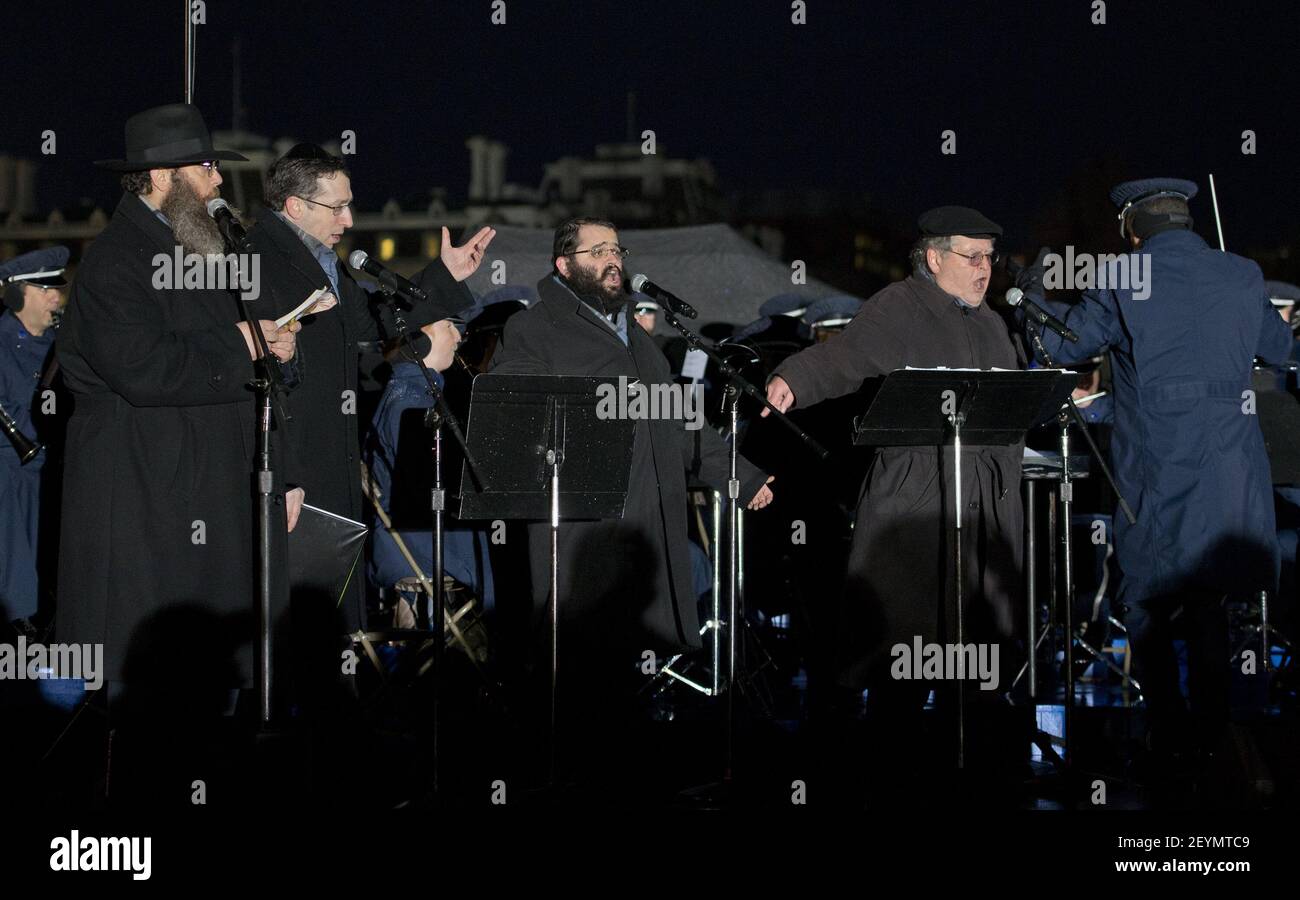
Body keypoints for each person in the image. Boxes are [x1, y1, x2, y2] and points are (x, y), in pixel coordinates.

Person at [1014, 178, 1293, 760]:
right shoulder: (1241, 272)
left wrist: (1032, 292)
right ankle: (1216, 736)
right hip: (1232, 474)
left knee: (1148, 605)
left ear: (1132, 228)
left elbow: (1066, 347)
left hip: (1158, 472)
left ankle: (1170, 736)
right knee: (1212, 605)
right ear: (1186, 222)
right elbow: (1279, 348)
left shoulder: (1123, 276)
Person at [488, 218, 773, 749]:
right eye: (597, 250)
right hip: (580, 523)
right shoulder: (537, 326)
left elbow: (681, 421)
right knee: (579, 656)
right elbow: (514, 406)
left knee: (632, 656)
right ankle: (564, 765)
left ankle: (622, 766)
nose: (612, 258)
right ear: (564, 264)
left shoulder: (640, 341)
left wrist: (739, 472)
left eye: (616, 248)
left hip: (645, 519)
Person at [764, 206, 1027, 780]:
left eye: (991, 258)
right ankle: (890, 777)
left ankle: (972, 776)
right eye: (972, 256)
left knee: (977, 656)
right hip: (920, 501)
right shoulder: (900, 306)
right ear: (934, 258)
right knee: (905, 649)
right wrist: (795, 379)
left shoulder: (993, 324)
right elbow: (846, 356)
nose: (986, 270)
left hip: (984, 506)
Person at [57, 103, 299, 700]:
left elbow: (234, 363)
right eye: (207, 168)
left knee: (214, 683)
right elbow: (144, 368)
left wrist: (272, 345)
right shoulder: (115, 260)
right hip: (147, 503)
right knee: (154, 695)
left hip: (211, 493)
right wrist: (242, 341)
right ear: (163, 176)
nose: (219, 180)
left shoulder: (202, 255)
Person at [244, 143, 494, 630]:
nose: (350, 218)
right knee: (294, 614)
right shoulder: (261, 260)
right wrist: (286, 473)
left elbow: (375, 322)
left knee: (329, 616)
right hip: (296, 461)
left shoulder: (322, 259)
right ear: (296, 206)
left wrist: (444, 277)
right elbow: (259, 383)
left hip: (331, 455)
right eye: (337, 206)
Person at [0, 248, 67, 635]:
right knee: (17, 582)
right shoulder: (2, 344)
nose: (56, 296)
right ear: (18, 294)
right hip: (12, 477)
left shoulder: (63, 345)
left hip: (53, 470)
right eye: (45, 289)